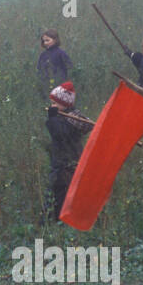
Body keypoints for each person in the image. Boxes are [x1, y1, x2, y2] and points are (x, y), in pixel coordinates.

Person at [44, 82, 91, 221]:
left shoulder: (71, 121)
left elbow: (59, 134)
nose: (52, 106)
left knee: (57, 194)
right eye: (51, 102)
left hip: (64, 164)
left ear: (65, 104)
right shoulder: (65, 118)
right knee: (60, 194)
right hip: (63, 162)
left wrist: (52, 119)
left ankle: (51, 222)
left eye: (55, 103)